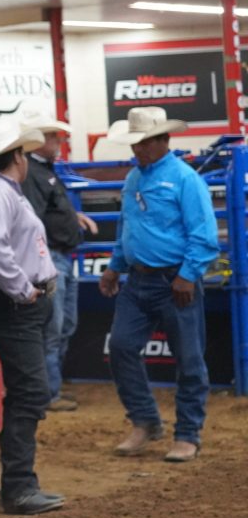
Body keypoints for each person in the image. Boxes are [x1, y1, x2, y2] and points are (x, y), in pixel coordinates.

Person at [98, 107, 217, 464]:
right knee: (121, 346)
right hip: (138, 279)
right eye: (135, 143)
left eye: (146, 142)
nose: (139, 149)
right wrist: (114, 267)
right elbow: (127, 228)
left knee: (189, 359)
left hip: (174, 279)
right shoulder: (133, 178)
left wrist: (188, 274)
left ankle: (187, 434)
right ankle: (145, 420)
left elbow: (204, 233)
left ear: (164, 139)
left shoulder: (185, 178)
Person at [0, 120, 64, 516]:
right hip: (15, 305)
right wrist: (22, 288)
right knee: (30, 392)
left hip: (19, 304)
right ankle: (18, 487)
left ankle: (19, 485)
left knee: (26, 391)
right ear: (17, 157)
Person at [20, 117, 99, 412]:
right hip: (51, 259)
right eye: (54, 137)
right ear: (39, 140)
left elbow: (45, 210)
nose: (59, 142)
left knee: (63, 325)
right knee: (53, 329)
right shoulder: (33, 172)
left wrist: (71, 217)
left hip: (59, 256)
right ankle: (47, 393)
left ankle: (50, 387)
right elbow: (33, 218)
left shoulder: (42, 170)